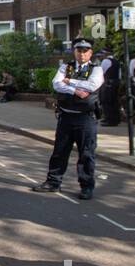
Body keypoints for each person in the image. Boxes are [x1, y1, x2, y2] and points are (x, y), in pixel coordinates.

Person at [31, 37, 103, 200]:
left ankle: (86, 187)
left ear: (90, 53)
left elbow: (92, 86)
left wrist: (70, 82)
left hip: (86, 118)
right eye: (79, 50)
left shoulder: (96, 69)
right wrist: (76, 90)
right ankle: (53, 182)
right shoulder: (66, 67)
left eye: (85, 51)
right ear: (74, 52)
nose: (82, 54)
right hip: (66, 115)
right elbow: (56, 84)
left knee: (86, 154)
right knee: (60, 151)